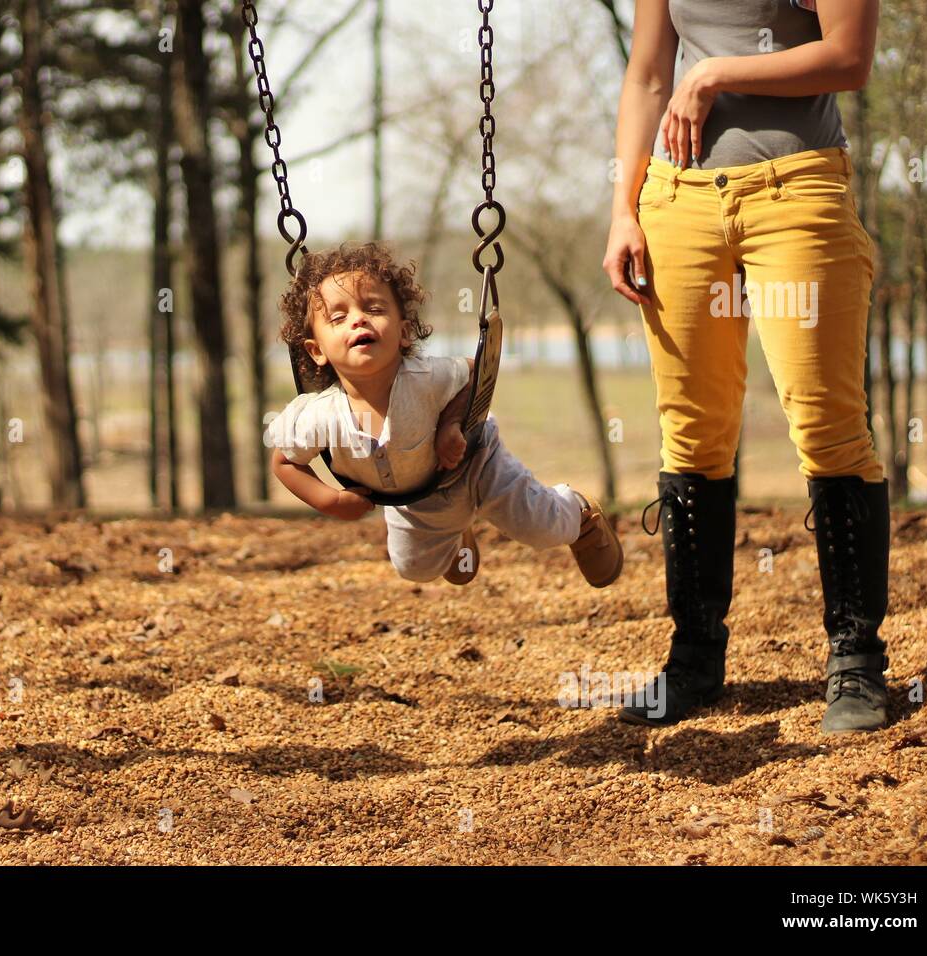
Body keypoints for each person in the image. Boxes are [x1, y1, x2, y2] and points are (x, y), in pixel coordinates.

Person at [601, 0, 887, 733]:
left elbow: (848, 58)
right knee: (692, 435)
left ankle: (855, 660)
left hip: (799, 193)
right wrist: (624, 211)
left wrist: (719, 73)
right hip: (677, 200)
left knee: (828, 427)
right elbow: (646, 77)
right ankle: (694, 657)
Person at [267, 241, 623, 589]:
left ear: (404, 333)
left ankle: (579, 512)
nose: (358, 320)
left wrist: (452, 423)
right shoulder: (319, 416)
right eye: (339, 317)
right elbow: (283, 462)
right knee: (414, 568)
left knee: (540, 527)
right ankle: (456, 531)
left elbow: (473, 373)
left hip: (478, 461)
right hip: (414, 495)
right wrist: (329, 501)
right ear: (316, 351)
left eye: (374, 309)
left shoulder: (423, 377)